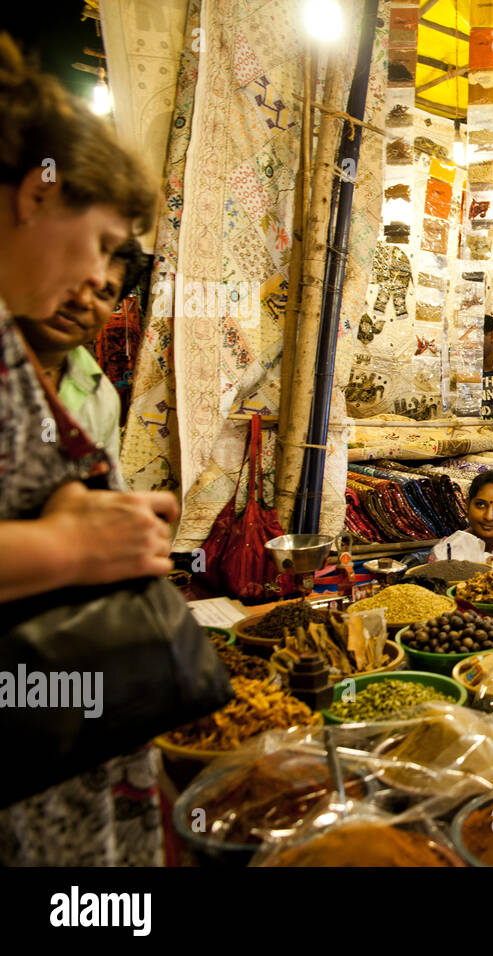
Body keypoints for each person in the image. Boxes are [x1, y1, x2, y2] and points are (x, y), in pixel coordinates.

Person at [0, 34, 174, 865]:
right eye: (103, 243)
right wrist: (64, 544)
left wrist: (84, 515)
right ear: (37, 197)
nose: (107, 281)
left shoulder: (46, 372)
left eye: (119, 261)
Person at [15, 237, 149, 471]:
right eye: (73, 278)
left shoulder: (100, 398)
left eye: (104, 292)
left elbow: (101, 492)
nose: (83, 299)